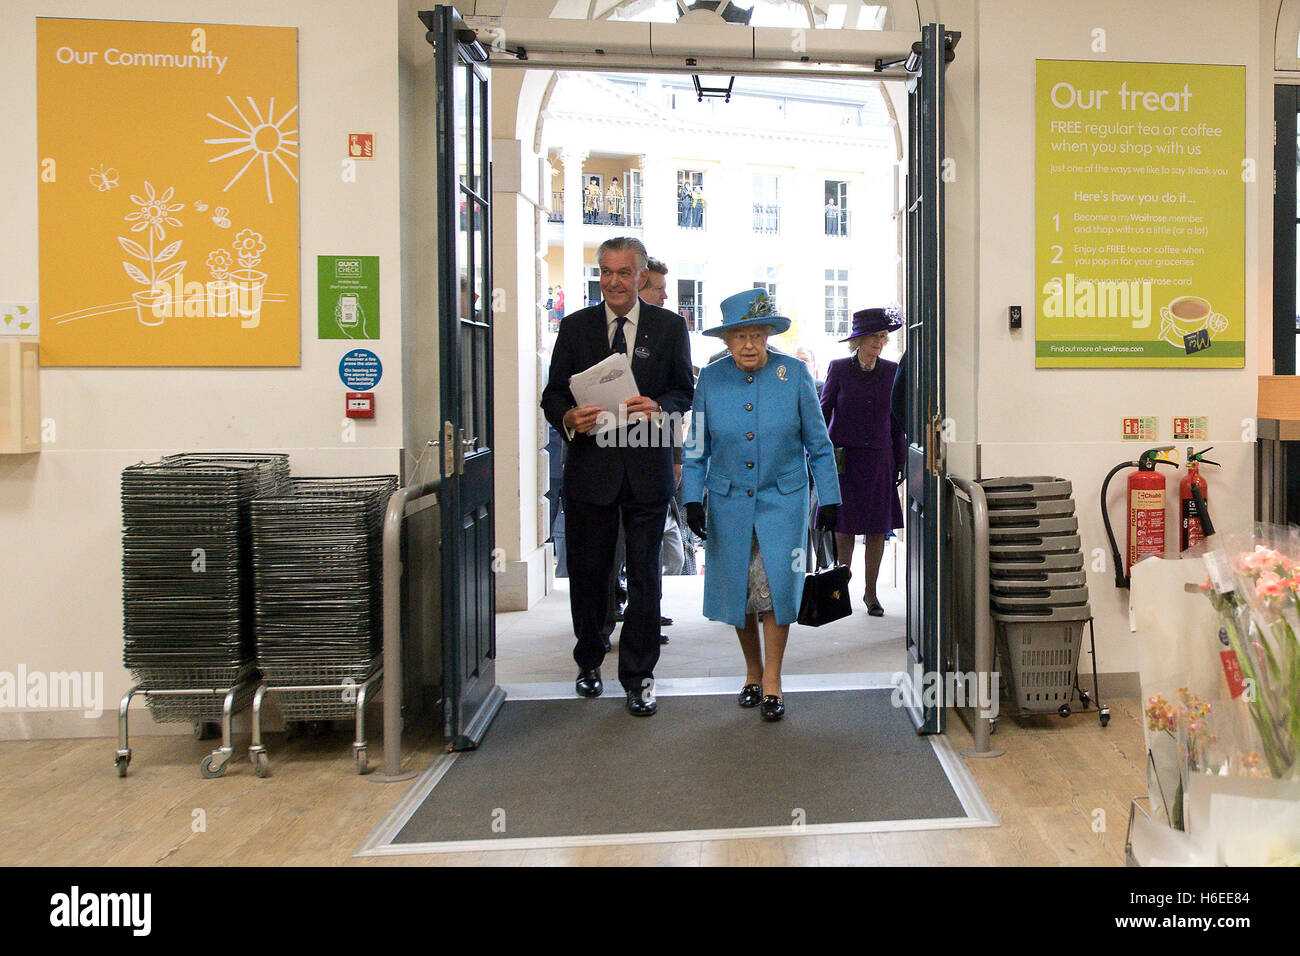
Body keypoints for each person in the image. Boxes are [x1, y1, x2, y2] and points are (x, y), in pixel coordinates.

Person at [541, 236, 694, 717]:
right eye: (605, 272)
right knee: (590, 574)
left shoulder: (669, 328)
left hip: (647, 471)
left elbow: (683, 392)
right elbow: (552, 395)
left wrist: (659, 406)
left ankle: (639, 676)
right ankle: (588, 662)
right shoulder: (575, 327)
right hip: (591, 470)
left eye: (623, 273)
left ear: (641, 276)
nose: (613, 281)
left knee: (647, 577)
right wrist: (568, 418)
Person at [682, 289, 840, 722]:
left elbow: (819, 445)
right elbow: (696, 447)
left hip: (783, 500)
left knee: (775, 588)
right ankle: (751, 672)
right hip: (729, 501)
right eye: (739, 336)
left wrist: (830, 497)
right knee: (739, 590)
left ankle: (772, 680)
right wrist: (692, 499)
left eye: (756, 334)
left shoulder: (795, 374)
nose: (749, 344)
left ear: (769, 335)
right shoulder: (711, 380)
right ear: (726, 341)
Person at [819, 307, 906, 617]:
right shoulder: (839, 368)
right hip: (846, 460)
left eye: (882, 338)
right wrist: (817, 457)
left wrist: (901, 457)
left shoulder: (892, 371)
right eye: (873, 338)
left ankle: (871, 593)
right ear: (858, 341)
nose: (879, 344)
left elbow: (897, 419)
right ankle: (839, 588)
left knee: (877, 528)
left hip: (880, 458)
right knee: (844, 527)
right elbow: (824, 411)